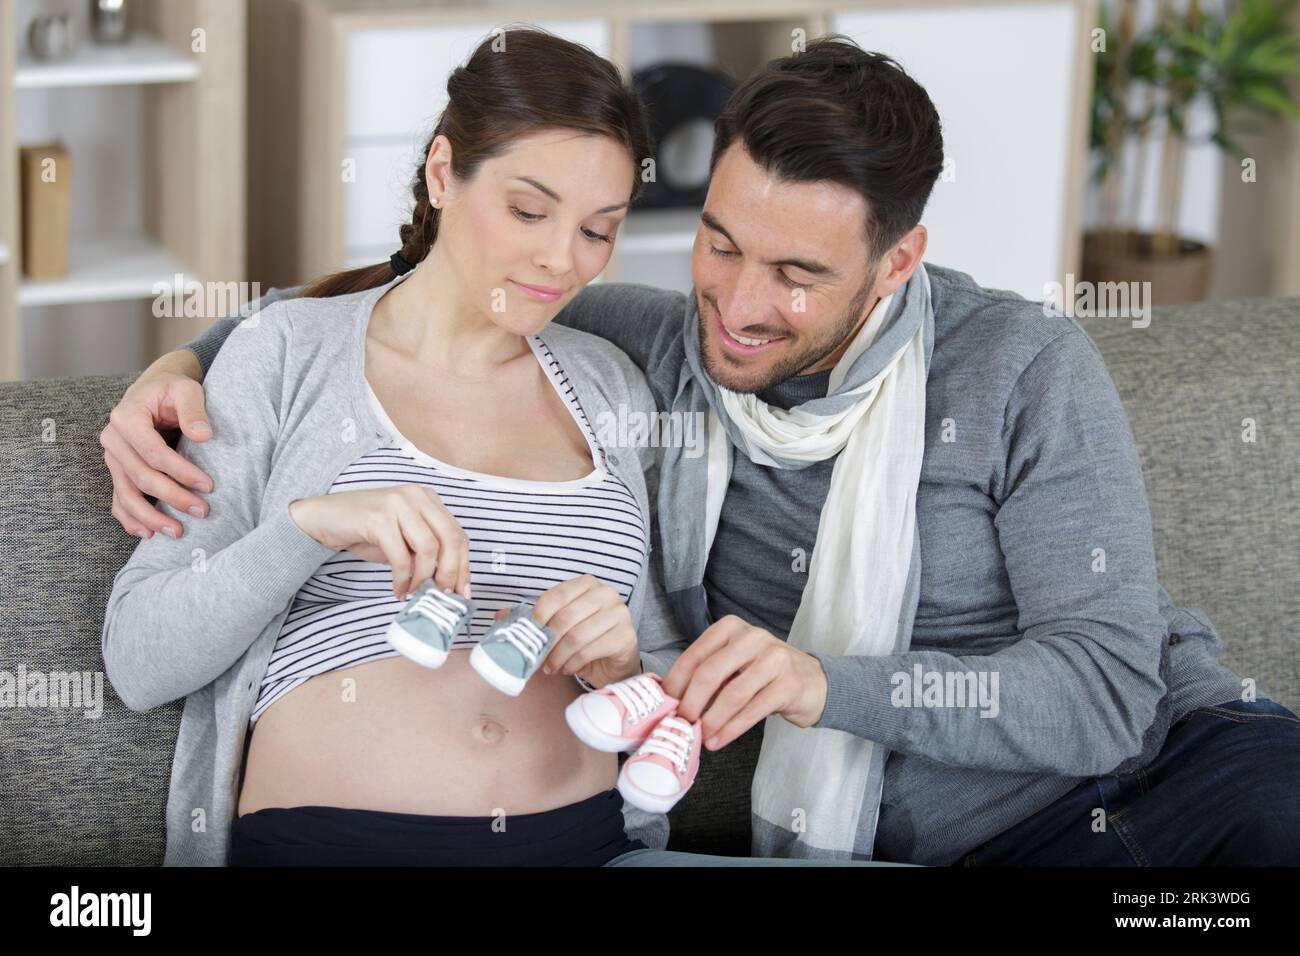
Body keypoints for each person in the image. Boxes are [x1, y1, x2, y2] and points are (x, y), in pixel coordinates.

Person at [104, 35, 1300, 866]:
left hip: (1184, 784)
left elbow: (1103, 694)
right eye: (718, 242)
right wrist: (174, 369)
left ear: (897, 263)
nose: (735, 302)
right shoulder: (659, 349)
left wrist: (818, 680)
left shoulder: (1019, 365)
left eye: (796, 274)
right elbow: (390, 302)